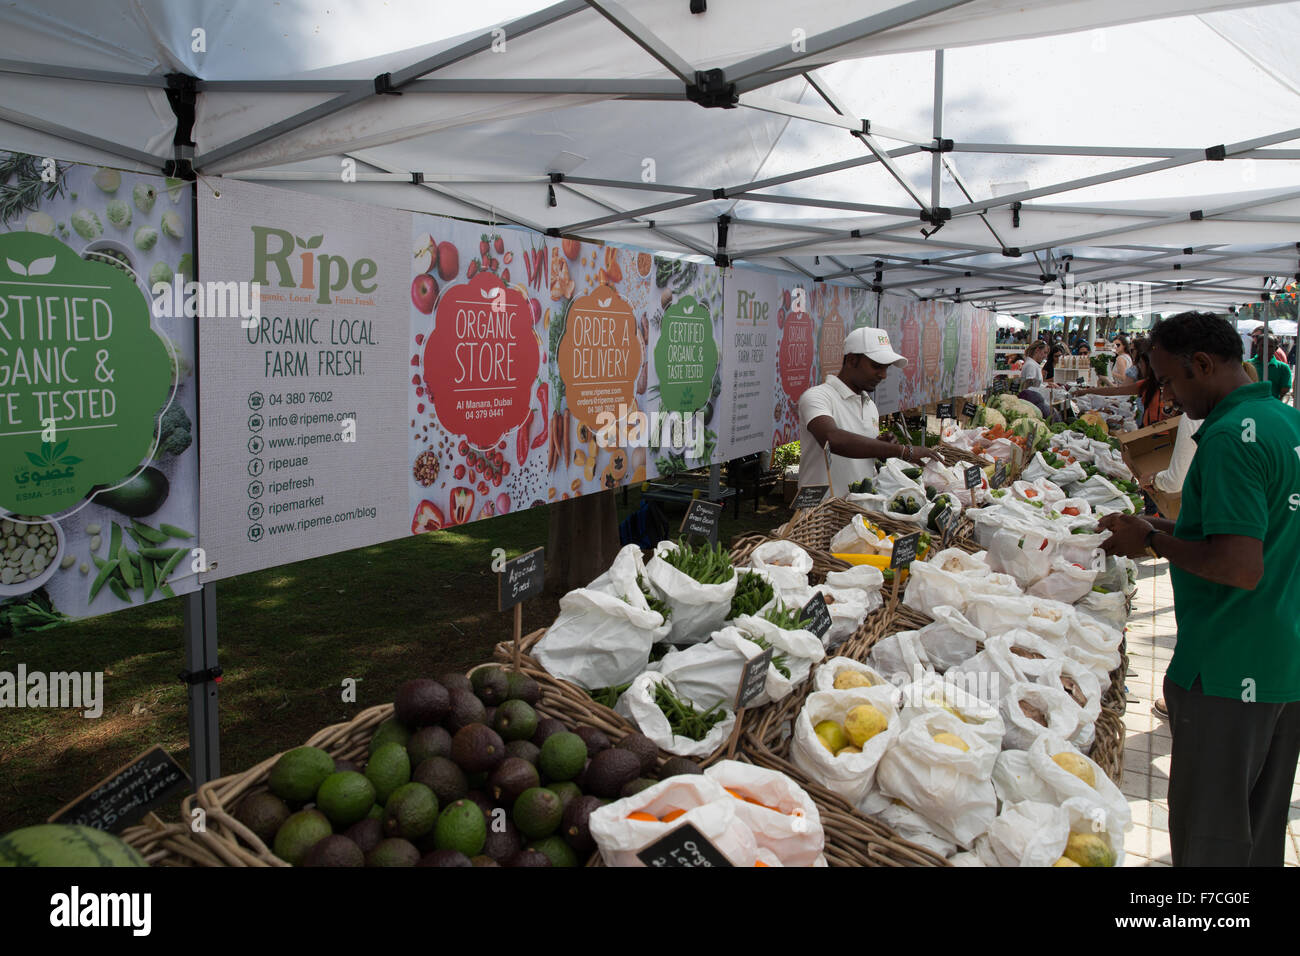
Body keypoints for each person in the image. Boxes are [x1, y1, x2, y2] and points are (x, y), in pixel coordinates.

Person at [1099, 311, 1300, 867]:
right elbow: (1251, 534)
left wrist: (1156, 543)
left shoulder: (1231, 437)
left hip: (1229, 667)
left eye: (1168, 381)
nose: (1167, 396)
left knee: (1212, 838)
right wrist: (1152, 530)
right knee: (1259, 826)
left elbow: (1238, 565)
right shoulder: (1285, 422)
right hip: (1281, 660)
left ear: (1204, 364)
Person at [796, 326, 939, 496]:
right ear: (851, 361)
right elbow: (832, 439)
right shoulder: (817, 396)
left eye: (886, 368)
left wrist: (881, 446)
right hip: (820, 514)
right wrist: (903, 451)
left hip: (858, 512)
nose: (883, 375)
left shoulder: (870, 406)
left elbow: (858, 453)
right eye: (877, 366)